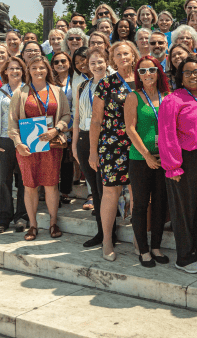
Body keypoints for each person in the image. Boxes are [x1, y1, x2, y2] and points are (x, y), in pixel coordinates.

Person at [159, 55, 197, 274]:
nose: (193, 75)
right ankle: (184, 257)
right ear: (179, 77)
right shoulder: (173, 100)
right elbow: (167, 134)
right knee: (184, 210)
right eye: (187, 72)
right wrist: (173, 166)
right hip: (185, 159)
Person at [8, 55, 70, 241]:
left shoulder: (57, 91)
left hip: (51, 145)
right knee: (30, 186)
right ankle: (33, 225)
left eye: (42, 68)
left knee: (51, 185)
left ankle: (53, 222)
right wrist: (18, 143)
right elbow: (12, 122)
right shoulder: (20, 92)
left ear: (47, 70)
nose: (38, 71)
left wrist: (56, 130)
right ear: (29, 71)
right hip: (28, 147)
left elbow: (66, 115)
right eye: (34, 68)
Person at [90, 41, 139, 261]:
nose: (122, 57)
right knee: (111, 192)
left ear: (133, 55)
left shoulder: (143, 79)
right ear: (113, 58)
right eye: (118, 54)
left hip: (139, 143)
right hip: (111, 144)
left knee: (138, 192)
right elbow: (95, 120)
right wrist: (93, 151)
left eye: (126, 53)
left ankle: (140, 239)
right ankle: (107, 240)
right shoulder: (105, 84)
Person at [125, 55, 171, 267]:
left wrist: (164, 154)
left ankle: (156, 247)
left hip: (164, 159)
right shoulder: (133, 97)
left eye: (151, 70)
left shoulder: (166, 95)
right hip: (140, 159)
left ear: (158, 71)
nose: (147, 75)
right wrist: (147, 156)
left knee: (161, 205)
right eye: (142, 71)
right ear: (138, 75)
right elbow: (130, 129)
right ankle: (143, 250)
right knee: (141, 205)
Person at [73, 47, 110, 248]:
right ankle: (101, 232)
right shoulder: (82, 86)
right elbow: (77, 118)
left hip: (106, 138)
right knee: (95, 190)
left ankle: (109, 234)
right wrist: (74, 144)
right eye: (92, 63)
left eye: (100, 61)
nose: (96, 66)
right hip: (85, 139)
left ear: (107, 62)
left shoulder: (113, 84)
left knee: (106, 190)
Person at [0, 56, 27, 233]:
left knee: (24, 181)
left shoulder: (28, 90)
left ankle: (22, 216)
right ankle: (4, 217)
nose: (14, 71)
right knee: (3, 180)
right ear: (5, 72)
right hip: (4, 141)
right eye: (11, 68)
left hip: (25, 141)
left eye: (18, 68)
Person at [51, 52, 76, 205]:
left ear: (69, 62)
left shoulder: (76, 80)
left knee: (67, 160)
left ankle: (65, 192)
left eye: (63, 61)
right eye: (56, 62)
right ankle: (53, 190)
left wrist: (71, 126)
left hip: (70, 124)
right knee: (54, 159)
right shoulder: (49, 81)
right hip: (52, 124)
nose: (60, 64)